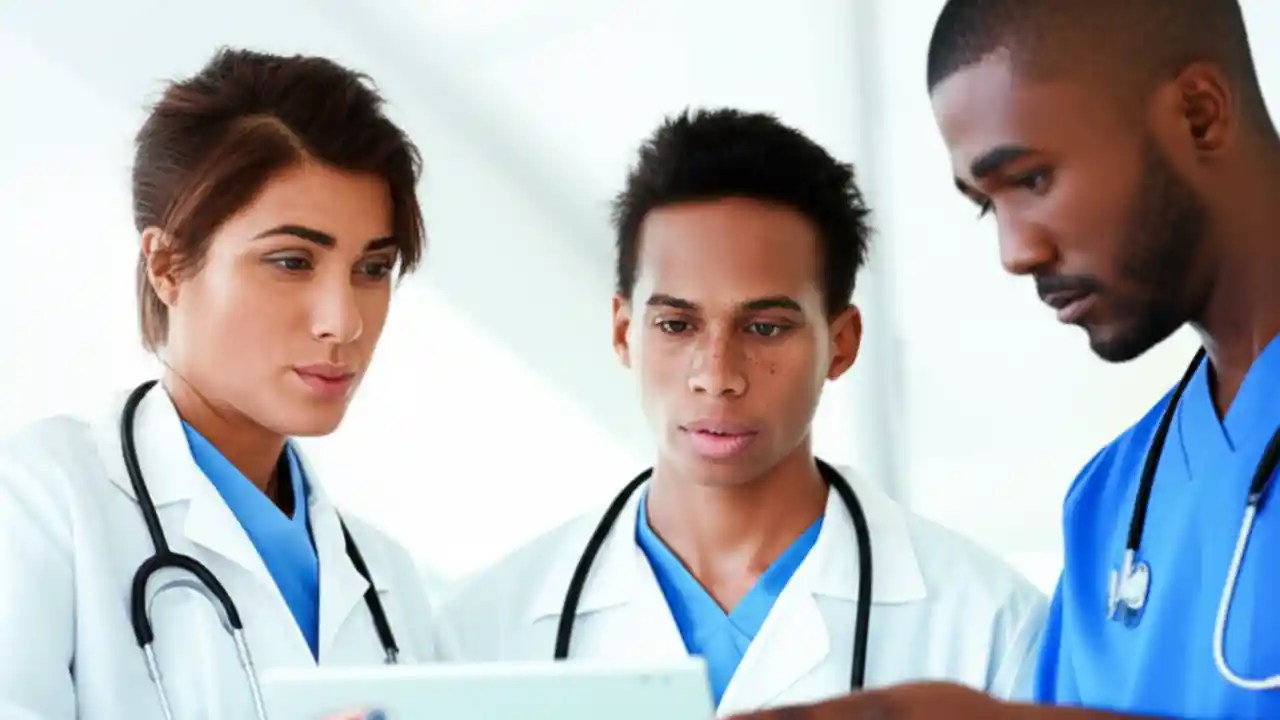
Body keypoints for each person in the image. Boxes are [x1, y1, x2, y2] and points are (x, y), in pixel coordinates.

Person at [730, 0, 1280, 718]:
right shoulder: (1112, 504)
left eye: (1033, 179)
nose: (1017, 253)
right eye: (989, 206)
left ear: (1200, 115)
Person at [431, 108, 1047, 717]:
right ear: (624, 334)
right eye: (676, 324)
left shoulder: (990, 629)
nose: (717, 375)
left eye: (766, 328)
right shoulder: (480, 634)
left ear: (843, 343)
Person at [0, 48, 441, 719]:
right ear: (168, 264)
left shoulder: (392, 585)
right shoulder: (42, 502)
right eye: (292, 261)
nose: (344, 321)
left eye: (372, 269)